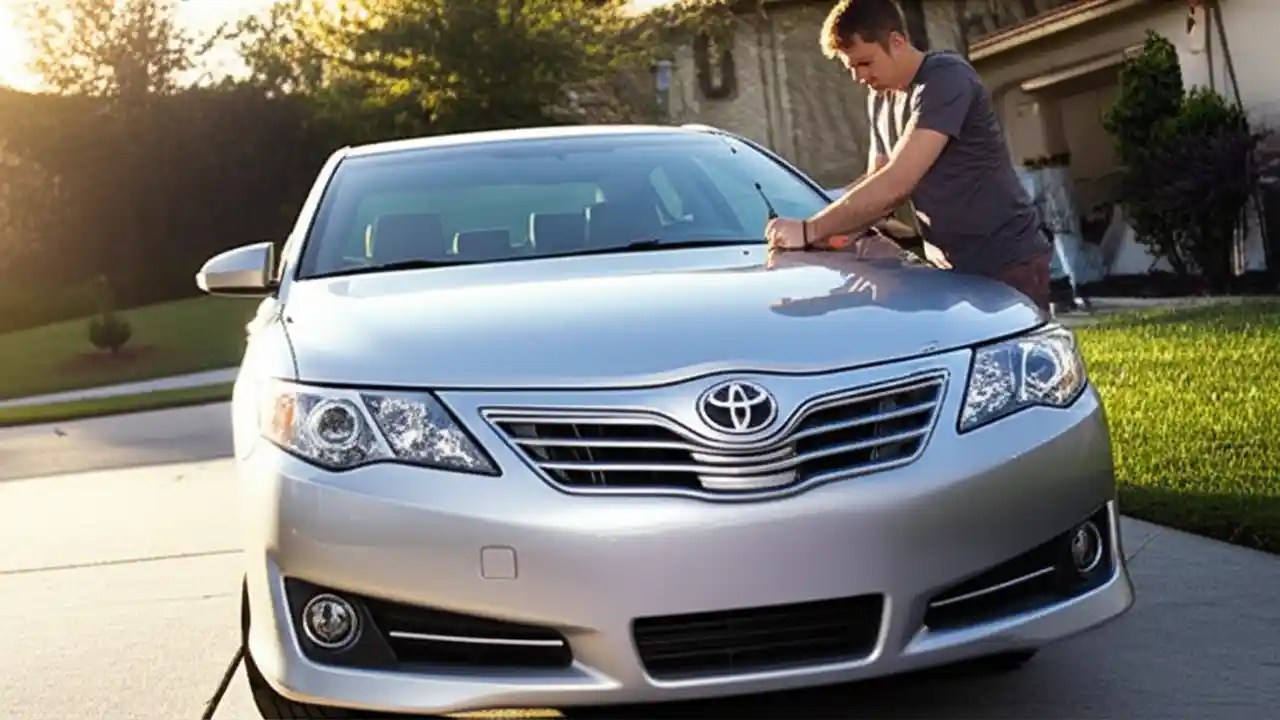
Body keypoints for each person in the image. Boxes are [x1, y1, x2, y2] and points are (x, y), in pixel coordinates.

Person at [764, 0, 1054, 311]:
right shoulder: (880, 98)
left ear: (897, 43)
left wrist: (810, 229)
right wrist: (823, 225)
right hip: (946, 267)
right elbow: (876, 180)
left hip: (1006, 261)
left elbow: (897, 183)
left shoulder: (945, 79)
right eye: (851, 68)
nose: (859, 77)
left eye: (865, 63)